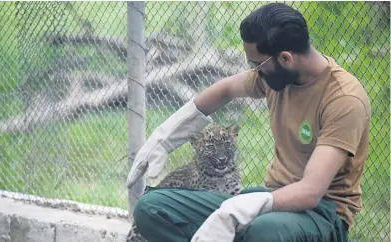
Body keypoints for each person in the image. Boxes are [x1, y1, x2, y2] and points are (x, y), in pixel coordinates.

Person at [127, 3, 371, 242]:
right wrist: (165, 137)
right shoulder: (276, 76)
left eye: (256, 64)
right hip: (270, 198)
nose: (253, 71)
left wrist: (243, 207)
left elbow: (310, 192)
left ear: (285, 58)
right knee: (152, 208)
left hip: (320, 214)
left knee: (262, 232)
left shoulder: (343, 99)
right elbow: (223, 90)